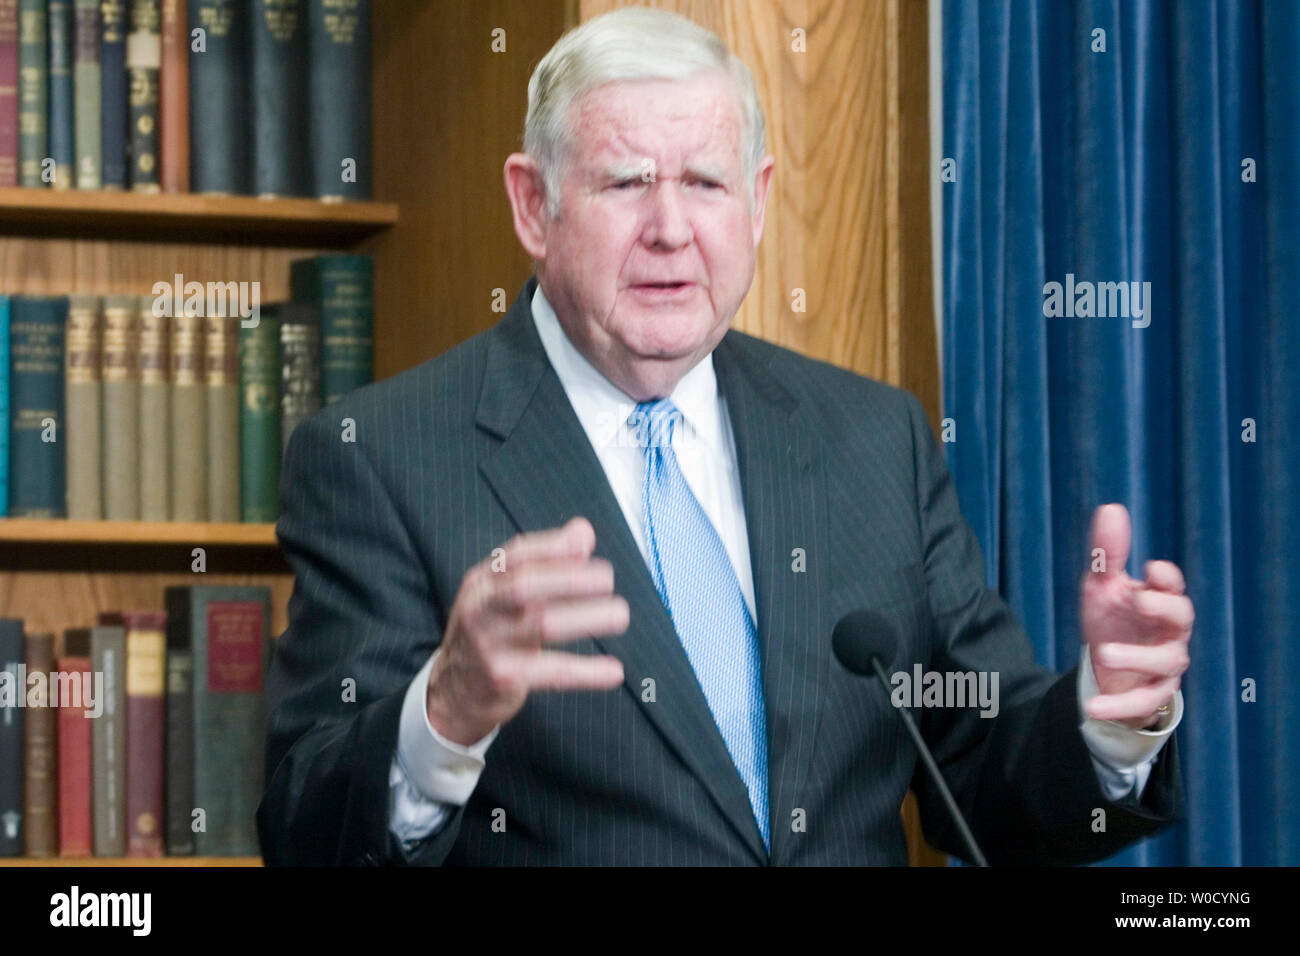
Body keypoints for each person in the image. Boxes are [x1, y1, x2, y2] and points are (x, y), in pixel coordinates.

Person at [258, 7, 1191, 866]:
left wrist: (1105, 722)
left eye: (705, 182)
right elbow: (303, 830)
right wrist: (445, 713)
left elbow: (978, 769)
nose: (671, 229)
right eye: (626, 182)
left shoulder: (874, 438)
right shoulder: (379, 456)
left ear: (756, 200)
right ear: (533, 206)